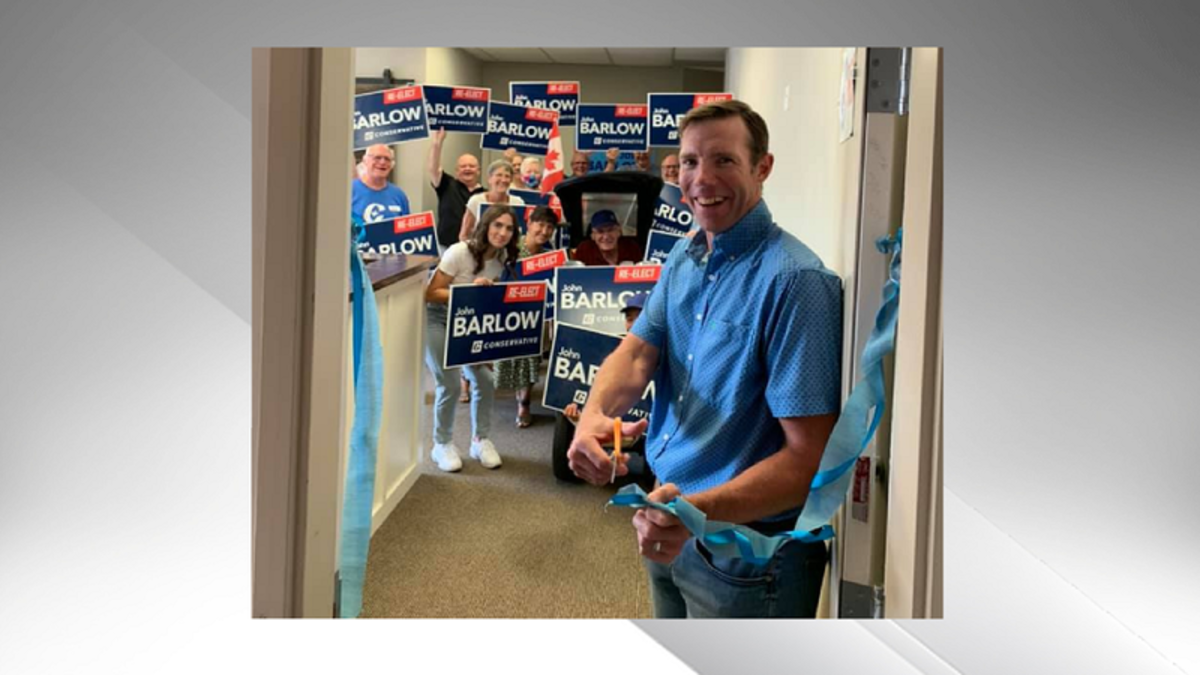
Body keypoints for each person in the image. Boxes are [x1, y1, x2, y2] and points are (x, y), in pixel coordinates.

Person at [566, 100, 842, 618]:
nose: (701, 179)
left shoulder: (796, 282)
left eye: (724, 161)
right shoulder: (685, 256)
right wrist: (593, 417)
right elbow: (637, 353)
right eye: (690, 162)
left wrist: (694, 513)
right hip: (669, 521)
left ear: (763, 167)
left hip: (747, 557)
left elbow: (808, 461)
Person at [423, 204, 520, 472]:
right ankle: (441, 444)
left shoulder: (501, 259)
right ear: (486, 225)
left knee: (486, 380)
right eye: (497, 225)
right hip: (438, 319)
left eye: (509, 228)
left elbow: (487, 302)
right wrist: (467, 291)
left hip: (469, 322)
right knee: (451, 383)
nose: (502, 232)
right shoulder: (459, 251)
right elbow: (431, 293)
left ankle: (480, 440)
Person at [495, 206, 557, 428]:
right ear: (529, 224)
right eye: (540, 224)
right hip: (507, 311)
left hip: (535, 316)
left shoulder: (550, 253)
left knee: (532, 359)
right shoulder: (511, 248)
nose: (544, 230)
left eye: (550, 227)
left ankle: (524, 404)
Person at [427, 128, 484, 253]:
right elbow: (433, 168)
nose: (467, 169)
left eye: (472, 166)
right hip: (446, 249)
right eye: (463, 166)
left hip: (475, 250)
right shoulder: (447, 184)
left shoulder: (486, 195)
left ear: (479, 171)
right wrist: (437, 143)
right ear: (456, 171)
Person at [459, 160, 526, 243]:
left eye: (507, 176)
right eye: (499, 175)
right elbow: (464, 234)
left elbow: (520, 234)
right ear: (489, 179)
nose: (503, 180)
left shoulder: (518, 202)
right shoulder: (476, 201)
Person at [352, 144, 411, 224]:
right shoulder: (349, 191)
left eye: (387, 159)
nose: (382, 162)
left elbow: (406, 231)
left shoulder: (399, 195)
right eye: (377, 157)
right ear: (365, 160)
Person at [571, 209, 642, 266]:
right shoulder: (585, 250)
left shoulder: (631, 248)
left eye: (610, 230)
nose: (606, 236)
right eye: (600, 231)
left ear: (619, 232)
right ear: (593, 236)